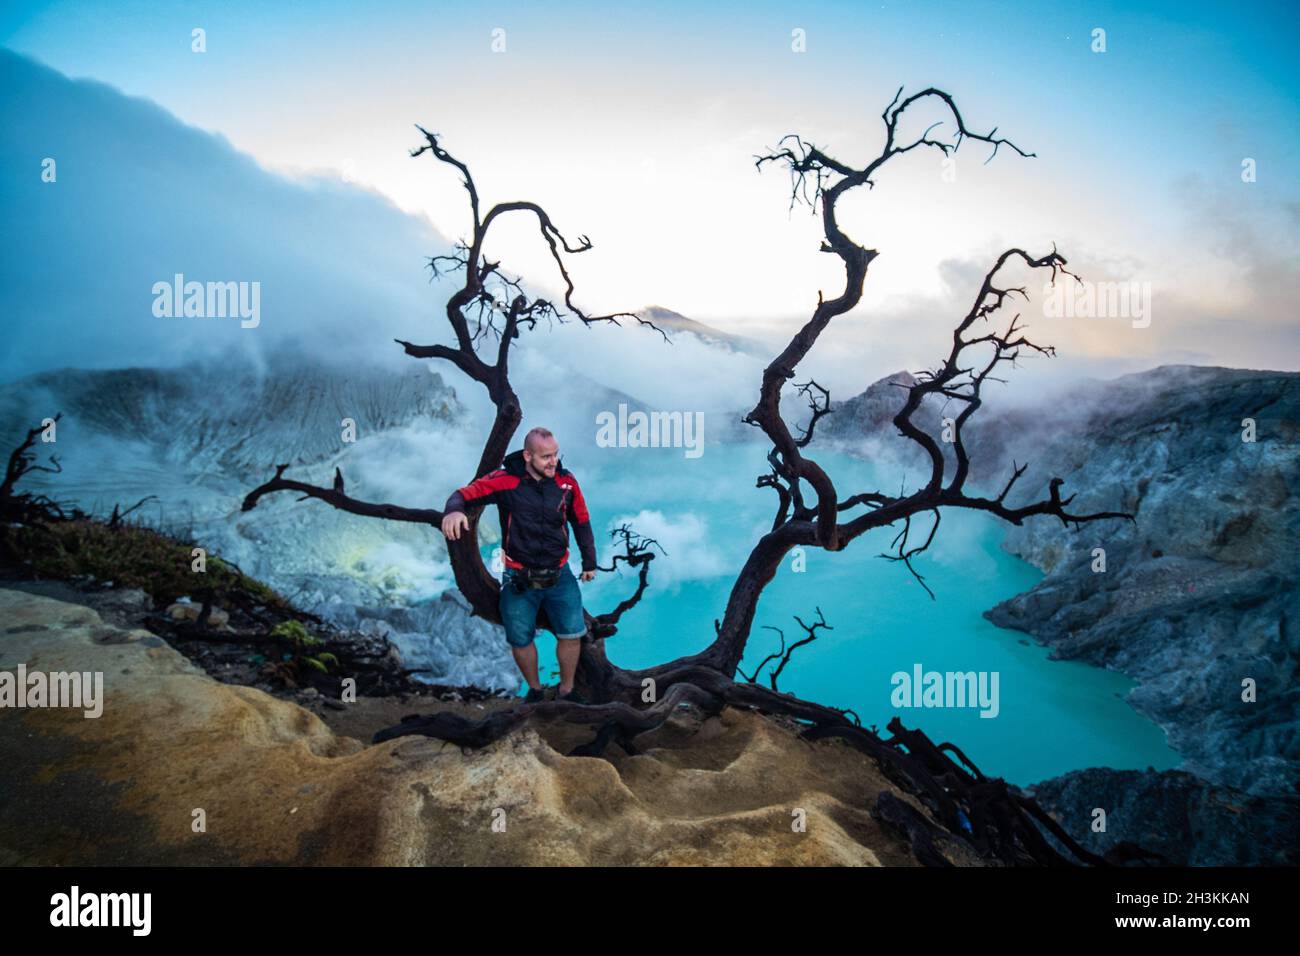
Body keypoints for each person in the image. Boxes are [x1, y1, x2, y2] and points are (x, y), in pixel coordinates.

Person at [440, 427, 597, 704]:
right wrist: (453, 510)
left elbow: (581, 520)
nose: (553, 462)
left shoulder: (566, 482)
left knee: (572, 634)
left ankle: (567, 691)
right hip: (518, 577)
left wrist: (589, 561)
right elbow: (465, 494)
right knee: (520, 639)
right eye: (546, 456)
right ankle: (535, 691)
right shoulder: (505, 481)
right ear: (528, 455)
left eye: (556, 455)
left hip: (560, 574)